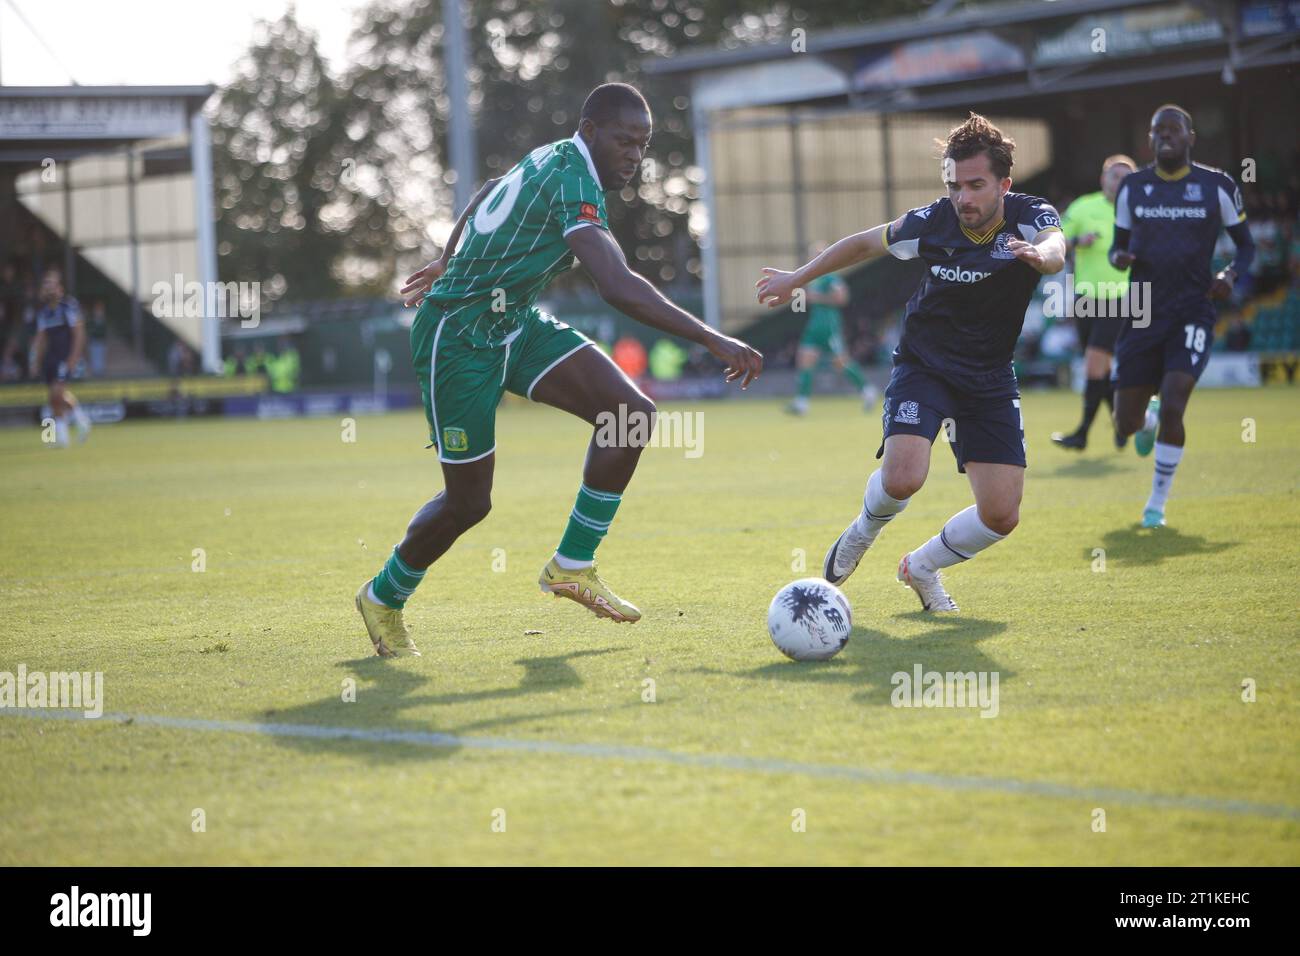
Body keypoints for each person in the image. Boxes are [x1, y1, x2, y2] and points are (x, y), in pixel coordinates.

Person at [355, 82, 763, 657]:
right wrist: (712, 337)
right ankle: (383, 596)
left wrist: (451, 252)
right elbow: (617, 286)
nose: (634, 156)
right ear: (591, 131)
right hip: (459, 335)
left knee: (630, 416)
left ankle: (572, 565)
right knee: (469, 503)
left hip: (513, 322)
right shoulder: (573, 178)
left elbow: (493, 188)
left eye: (643, 145)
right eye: (624, 141)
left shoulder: (561, 158)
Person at [758, 114, 1065, 612]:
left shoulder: (1030, 215)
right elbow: (862, 243)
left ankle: (920, 567)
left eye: (975, 185)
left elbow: (1055, 246)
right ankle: (863, 530)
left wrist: (1043, 256)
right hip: (925, 365)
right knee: (903, 477)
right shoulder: (933, 221)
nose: (963, 197)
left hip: (988, 378)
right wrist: (799, 277)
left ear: (1004, 184)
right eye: (954, 185)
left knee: (1002, 516)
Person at [1110, 105, 1254, 528]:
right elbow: (1117, 248)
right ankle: (1145, 419)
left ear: (1191, 136)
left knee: (1176, 405)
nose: (1164, 137)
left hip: (1193, 310)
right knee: (1125, 422)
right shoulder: (1133, 187)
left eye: (1173, 130)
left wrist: (1230, 273)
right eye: (1157, 131)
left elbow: (1246, 246)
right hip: (1142, 312)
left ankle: (1156, 503)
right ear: (1149, 139)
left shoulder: (1217, 186)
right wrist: (1119, 257)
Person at [1051, 154, 1137, 451]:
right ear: (1103, 179)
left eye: (1127, 177)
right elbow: (1056, 239)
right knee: (1099, 369)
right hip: (1085, 299)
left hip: (1121, 299)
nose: (1120, 181)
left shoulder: (1139, 212)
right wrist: (1077, 242)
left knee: (1093, 366)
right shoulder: (1083, 207)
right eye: (1115, 175)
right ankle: (1122, 424)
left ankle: (1082, 434)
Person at [787, 241, 877, 415]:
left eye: (820, 254)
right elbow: (803, 301)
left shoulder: (831, 278)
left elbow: (842, 298)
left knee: (841, 362)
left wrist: (816, 297)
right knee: (804, 359)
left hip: (829, 325)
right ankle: (802, 402)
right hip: (814, 326)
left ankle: (867, 390)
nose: (816, 258)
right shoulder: (813, 279)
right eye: (814, 255)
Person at [30, 269, 91, 446]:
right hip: (51, 359)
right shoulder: (43, 313)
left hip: (65, 357)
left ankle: (62, 436)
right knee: (55, 396)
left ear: (60, 288)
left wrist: (73, 358)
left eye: (52, 285)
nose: (49, 289)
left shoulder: (69, 306)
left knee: (57, 392)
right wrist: (34, 360)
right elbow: (40, 339)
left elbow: (79, 334)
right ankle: (81, 421)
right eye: (46, 285)